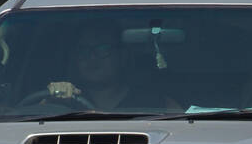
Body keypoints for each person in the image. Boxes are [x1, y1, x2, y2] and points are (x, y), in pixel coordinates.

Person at [46, 26, 179, 111]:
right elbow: (30, 122)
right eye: (83, 50)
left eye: (103, 49)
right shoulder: (63, 101)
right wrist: (52, 98)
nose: (92, 58)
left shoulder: (155, 103)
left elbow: (185, 129)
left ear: (122, 56)